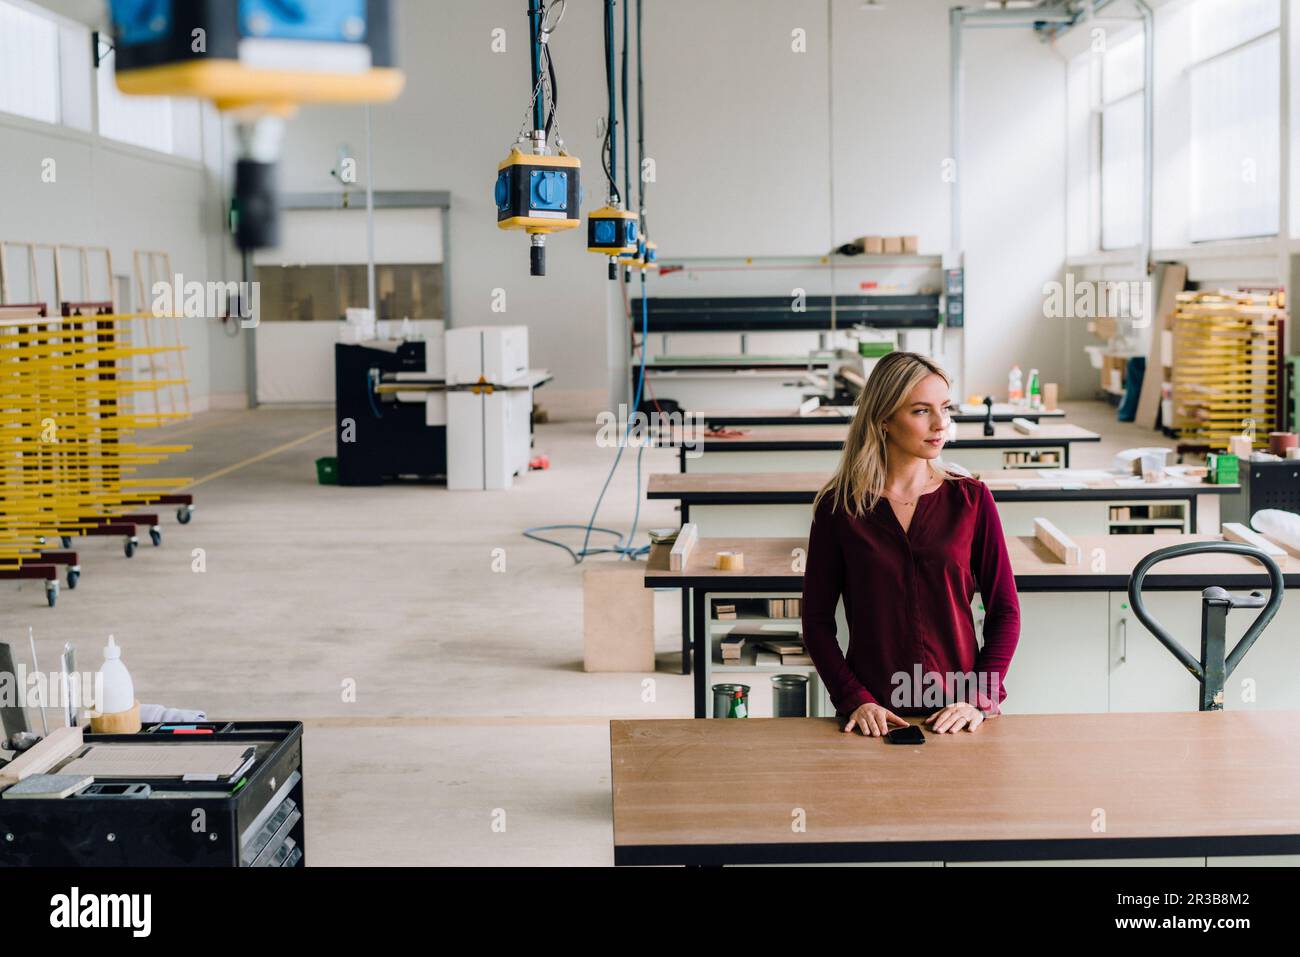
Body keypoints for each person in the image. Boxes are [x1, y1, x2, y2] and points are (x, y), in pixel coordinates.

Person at [801, 351, 1020, 736]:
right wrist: (855, 697)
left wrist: (980, 698)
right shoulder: (840, 508)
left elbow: (1005, 611)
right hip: (875, 719)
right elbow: (816, 622)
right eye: (921, 411)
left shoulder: (971, 500)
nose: (941, 424)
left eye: (945, 408)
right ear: (883, 419)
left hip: (958, 716)